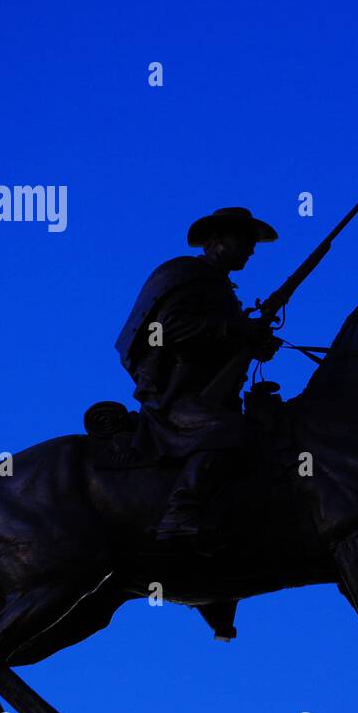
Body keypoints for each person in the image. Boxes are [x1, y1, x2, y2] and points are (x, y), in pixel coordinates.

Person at [114, 207, 281, 547]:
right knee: (228, 430)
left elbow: (220, 344)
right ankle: (181, 511)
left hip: (209, 394)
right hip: (176, 395)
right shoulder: (191, 276)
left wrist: (252, 341)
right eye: (244, 241)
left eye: (252, 243)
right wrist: (236, 329)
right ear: (216, 241)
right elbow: (169, 329)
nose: (250, 250)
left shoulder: (219, 287)